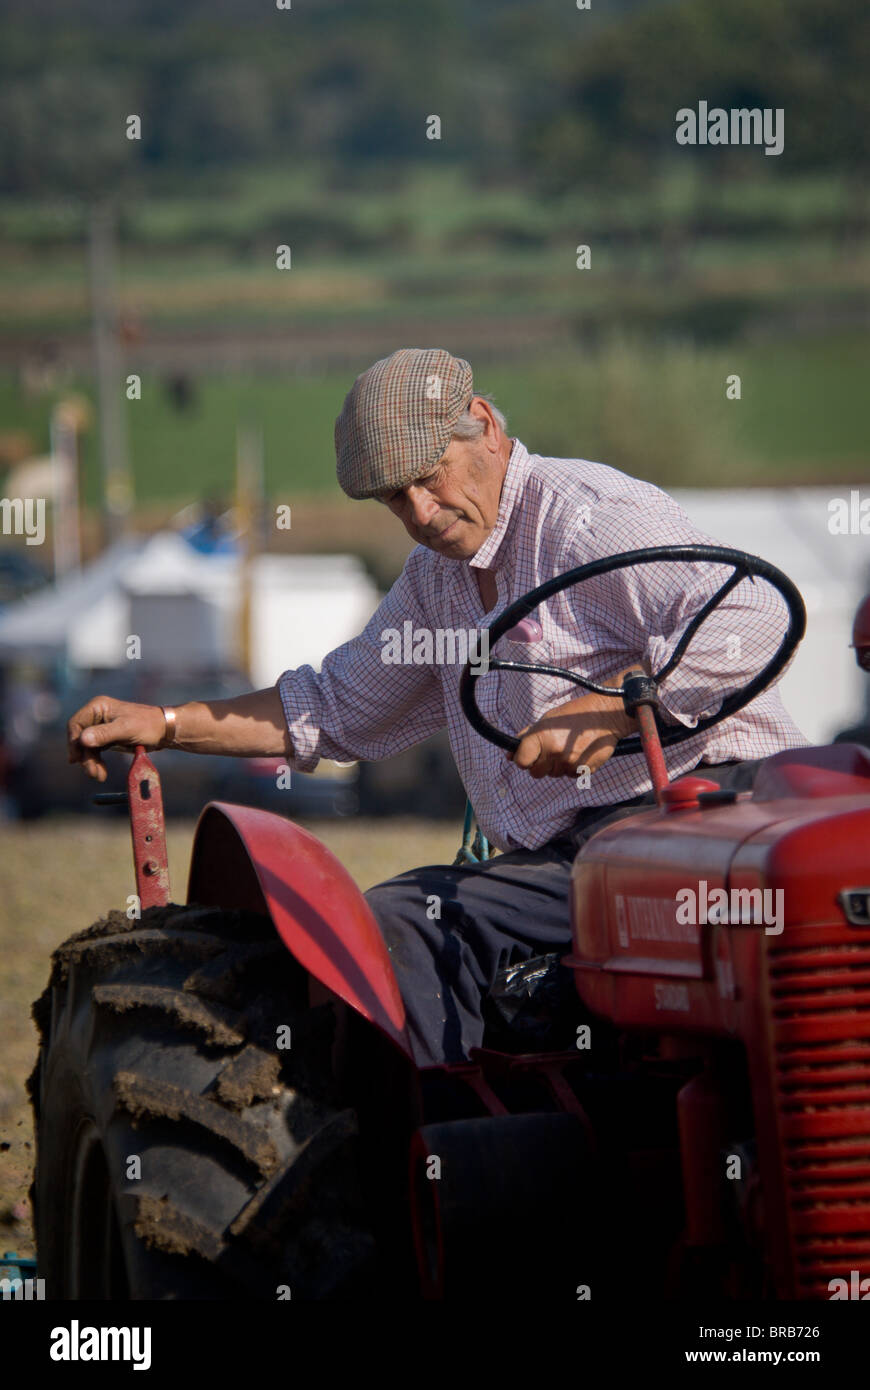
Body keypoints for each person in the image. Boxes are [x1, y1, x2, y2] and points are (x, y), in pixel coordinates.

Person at [67, 347, 809, 1068]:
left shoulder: (587, 520)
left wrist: (609, 709)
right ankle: (457, 1138)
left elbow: (753, 615)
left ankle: (437, 1151)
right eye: (396, 498)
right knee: (391, 922)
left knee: (412, 924)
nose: (421, 512)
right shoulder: (437, 582)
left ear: (484, 425)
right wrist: (165, 725)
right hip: (570, 862)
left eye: (429, 477)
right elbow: (332, 705)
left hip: (700, 817)